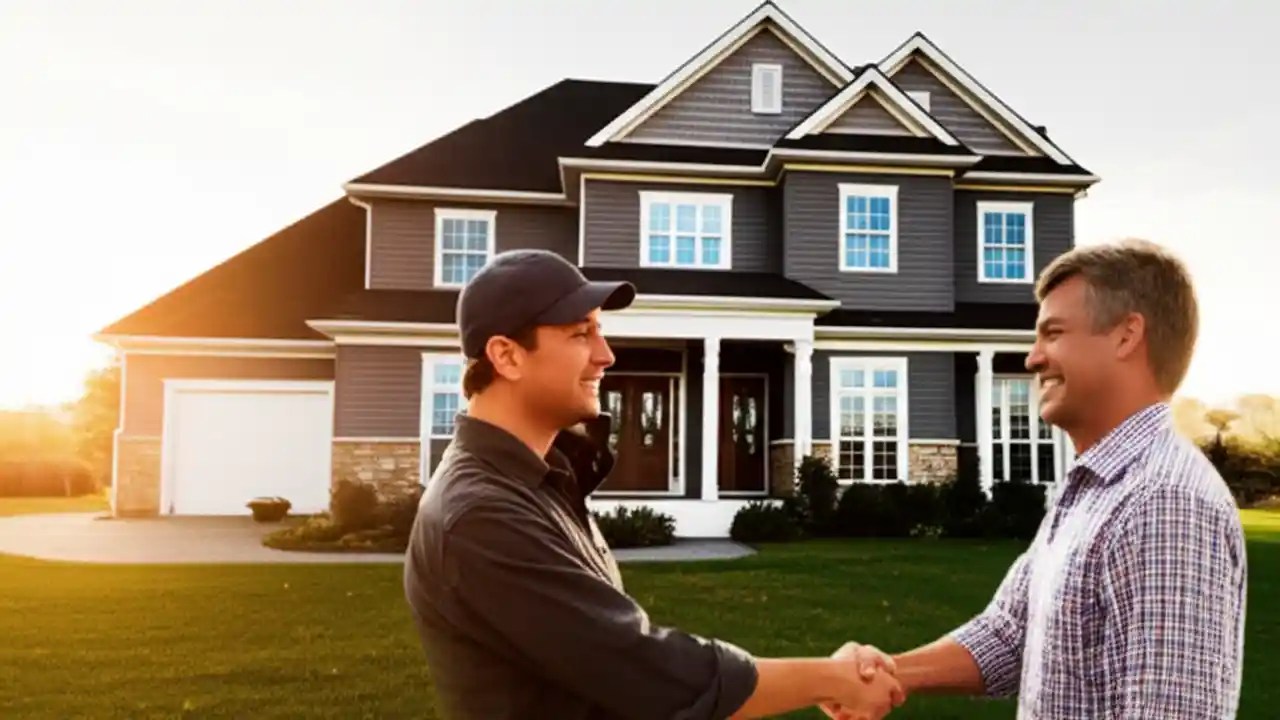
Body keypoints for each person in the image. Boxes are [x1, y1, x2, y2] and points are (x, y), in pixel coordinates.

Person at [403, 249, 904, 720]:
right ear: (507, 356)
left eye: (600, 331)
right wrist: (830, 679)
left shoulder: (543, 480)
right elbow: (648, 671)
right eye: (581, 334)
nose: (606, 355)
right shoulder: (480, 516)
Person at [828, 239, 1248, 719]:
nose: (1033, 358)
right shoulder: (1092, 488)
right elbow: (1012, 633)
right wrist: (886, 674)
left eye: (1053, 333)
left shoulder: (1165, 503)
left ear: (1126, 336)